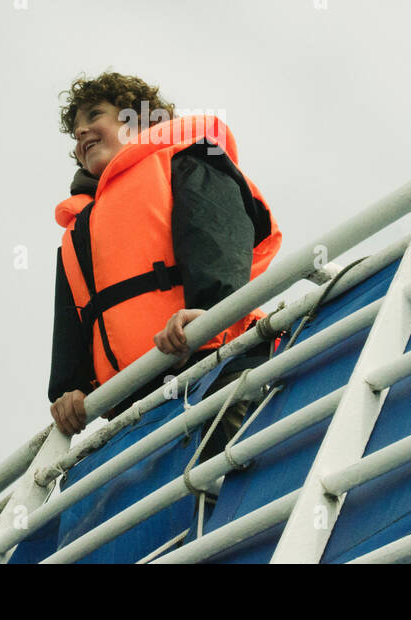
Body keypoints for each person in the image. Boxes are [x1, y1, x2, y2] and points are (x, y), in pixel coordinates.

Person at [47, 72, 282, 464]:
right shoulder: (77, 231)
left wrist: (211, 313)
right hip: (133, 410)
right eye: (75, 130)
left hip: (212, 367)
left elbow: (218, 230)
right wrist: (69, 389)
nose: (82, 132)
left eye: (94, 115)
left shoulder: (186, 158)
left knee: (227, 494)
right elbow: (72, 318)